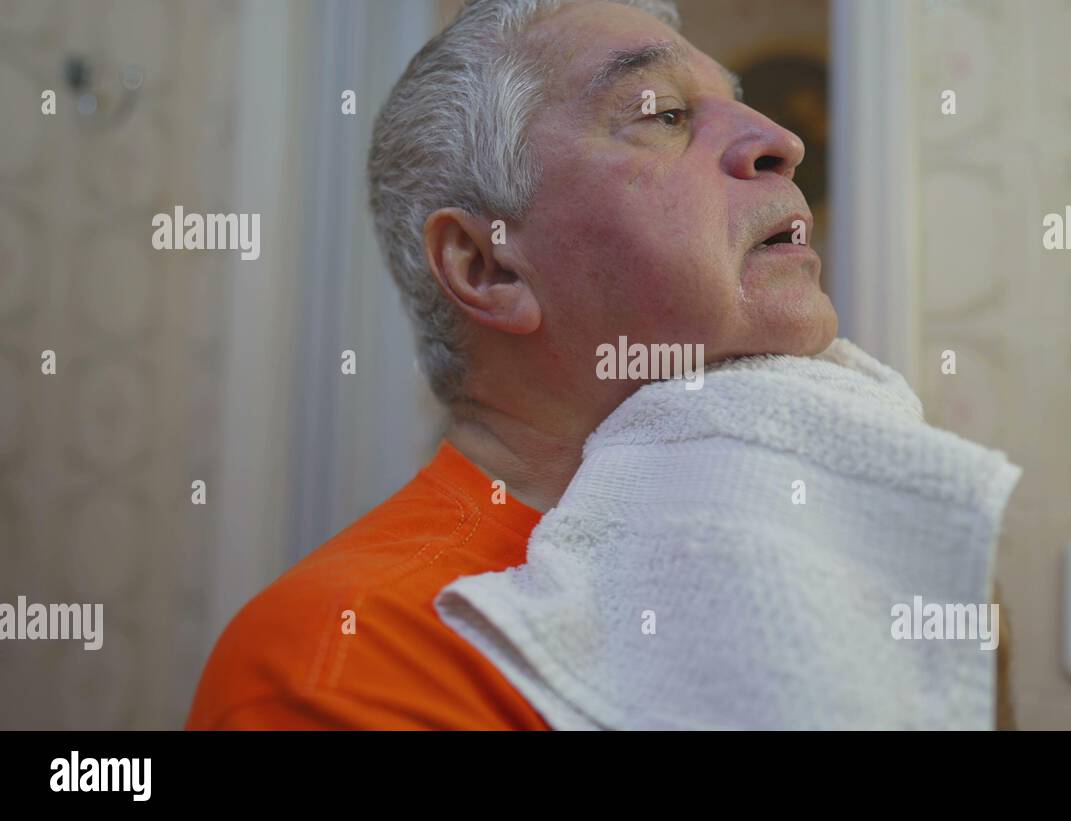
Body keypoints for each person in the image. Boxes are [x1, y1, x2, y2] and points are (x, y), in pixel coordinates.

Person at [186, 0, 1012, 730]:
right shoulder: (340, 663)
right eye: (664, 113)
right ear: (490, 267)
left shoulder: (843, 539)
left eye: (741, 105)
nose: (784, 142)